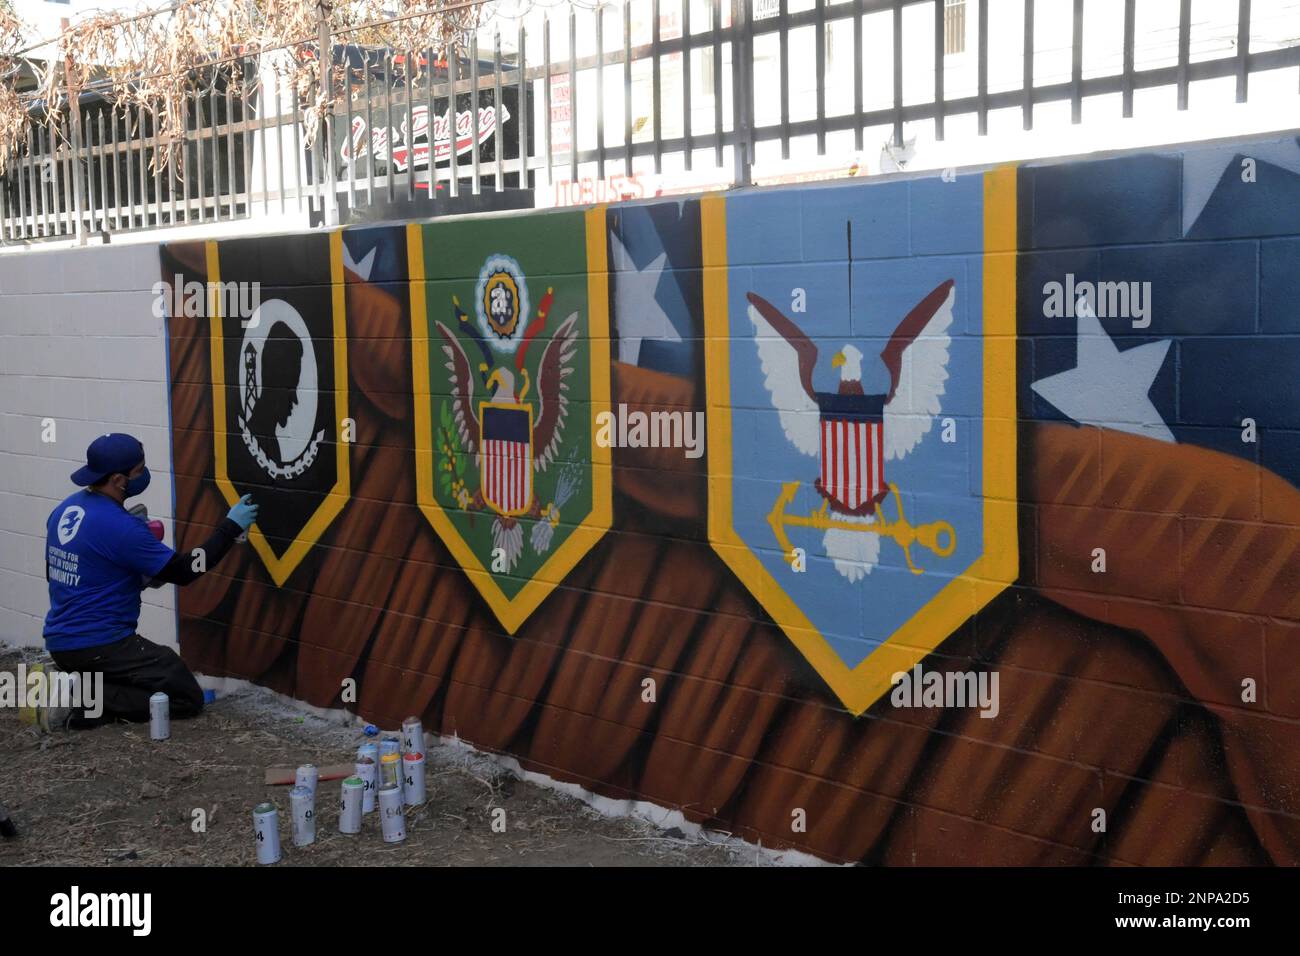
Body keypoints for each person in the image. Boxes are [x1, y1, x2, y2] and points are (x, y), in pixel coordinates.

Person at [39, 433, 258, 730]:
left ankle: (83, 695)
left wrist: (133, 571)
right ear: (118, 480)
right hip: (99, 644)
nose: (144, 475)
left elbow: (62, 573)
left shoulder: (65, 509)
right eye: (139, 471)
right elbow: (185, 570)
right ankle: (77, 696)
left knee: (150, 678)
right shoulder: (123, 528)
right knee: (184, 696)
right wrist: (230, 528)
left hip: (61, 642)